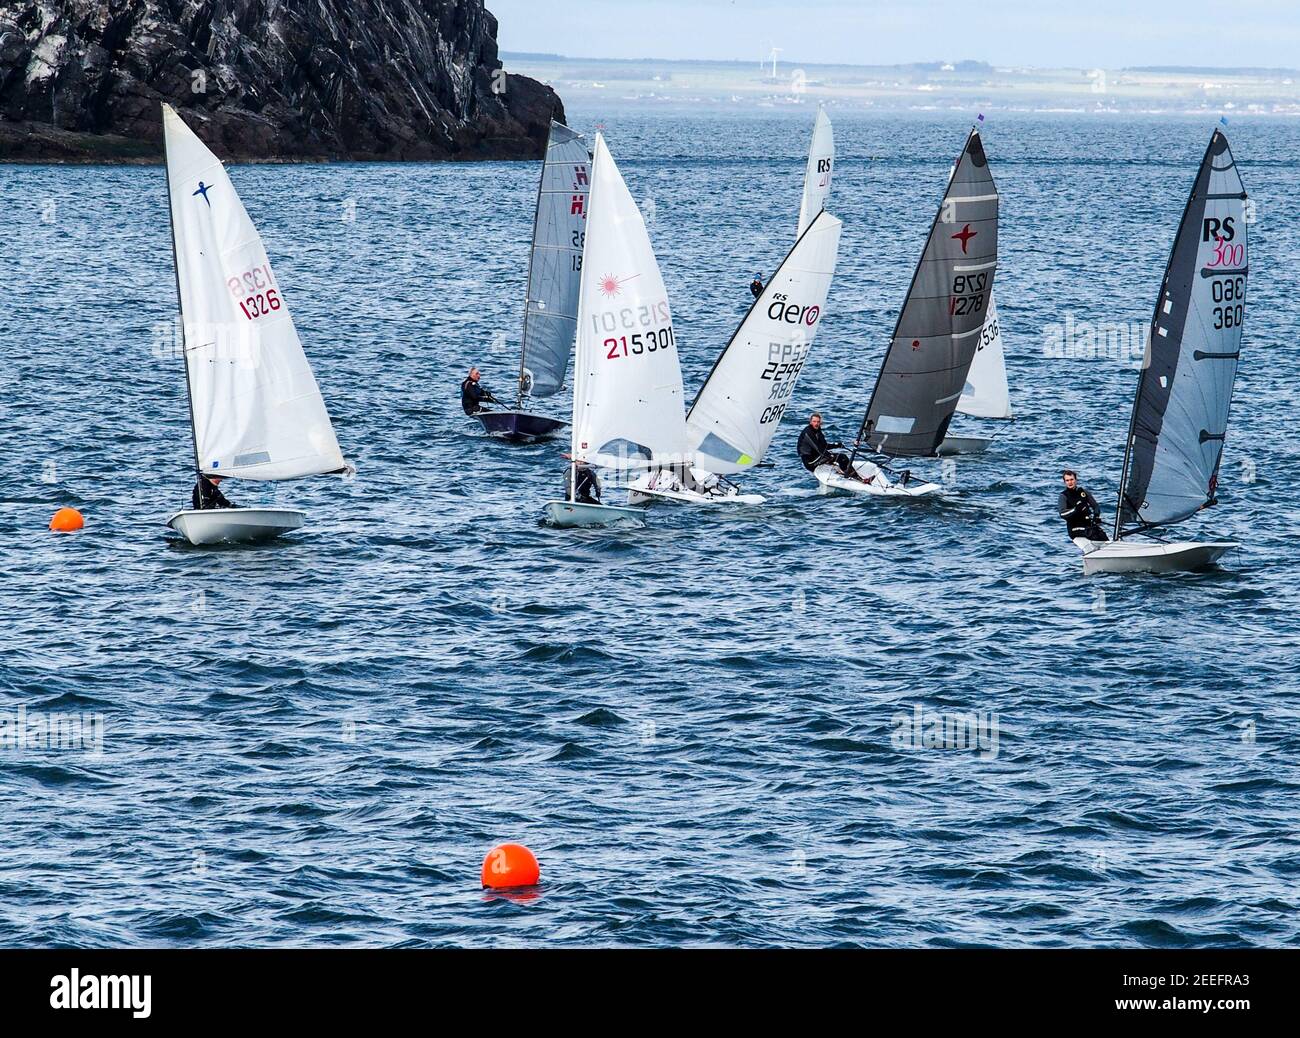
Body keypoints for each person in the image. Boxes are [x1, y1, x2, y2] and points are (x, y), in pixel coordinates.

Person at [797, 413, 864, 481]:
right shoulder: (808, 432)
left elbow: (824, 446)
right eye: (814, 421)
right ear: (810, 422)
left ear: (820, 422)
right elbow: (818, 448)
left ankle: (854, 476)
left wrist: (837, 445)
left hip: (817, 456)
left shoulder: (818, 431)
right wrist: (829, 456)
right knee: (841, 457)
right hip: (810, 462)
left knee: (841, 457)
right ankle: (854, 477)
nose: (816, 424)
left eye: (818, 422)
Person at [1058, 469, 1107, 541]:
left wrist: (1096, 516)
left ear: (1076, 480)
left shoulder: (1083, 492)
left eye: (1071, 479)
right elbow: (1062, 514)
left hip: (1087, 524)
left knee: (1101, 534)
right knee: (1091, 533)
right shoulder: (1063, 496)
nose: (1070, 482)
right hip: (1074, 527)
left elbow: (1096, 506)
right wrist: (1076, 509)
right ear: (1064, 482)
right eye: (1067, 480)